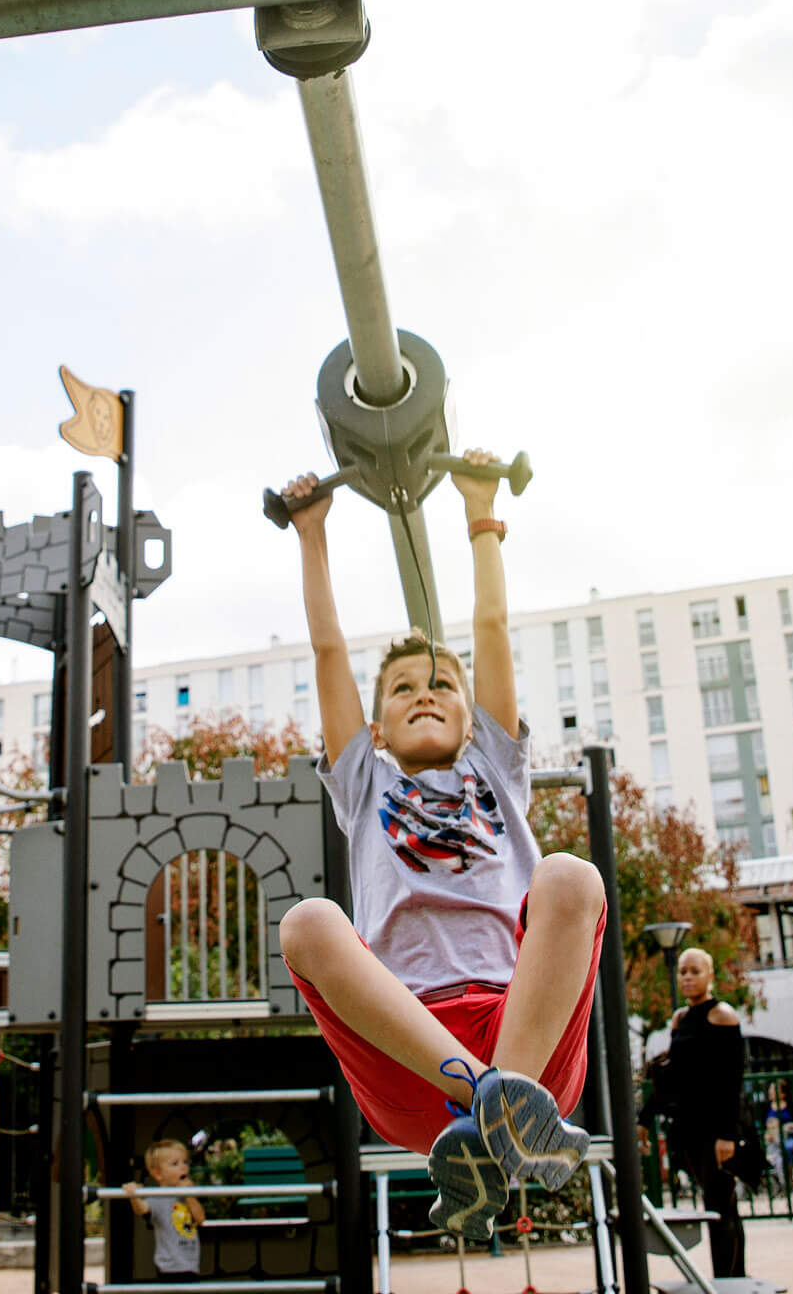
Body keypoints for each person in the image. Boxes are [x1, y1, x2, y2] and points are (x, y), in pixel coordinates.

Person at [274, 453, 606, 1241]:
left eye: (443, 686)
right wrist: (311, 534)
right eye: (401, 690)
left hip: (517, 1027)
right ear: (377, 729)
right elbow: (328, 652)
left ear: (469, 715)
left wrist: (482, 514)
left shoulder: (496, 766)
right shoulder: (366, 782)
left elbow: (490, 628)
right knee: (310, 924)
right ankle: (497, 1107)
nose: (425, 692)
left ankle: (499, 1110)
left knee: (567, 875)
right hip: (413, 1052)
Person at [639, 947, 748, 1278]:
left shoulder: (723, 1015)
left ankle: (730, 1279)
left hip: (717, 1127)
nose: (687, 977)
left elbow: (733, 1081)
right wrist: (645, 1117)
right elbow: (673, 1075)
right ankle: (726, 1278)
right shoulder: (680, 1019)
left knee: (722, 1205)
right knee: (713, 1202)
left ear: (710, 975)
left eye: (695, 971)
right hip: (689, 1124)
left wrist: (728, 1134)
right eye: (682, 971)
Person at [122, 1138, 205, 1282]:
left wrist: (189, 1195)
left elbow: (200, 1219)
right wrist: (133, 1196)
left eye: (185, 1162)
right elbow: (142, 1209)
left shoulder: (189, 1197)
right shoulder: (158, 1198)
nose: (183, 1167)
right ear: (158, 1174)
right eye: (175, 1164)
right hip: (170, 1267)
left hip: (191, 1264)